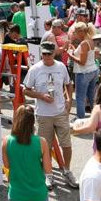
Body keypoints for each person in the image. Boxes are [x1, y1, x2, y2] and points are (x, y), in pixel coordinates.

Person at [23, 42, 75, 190]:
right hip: (43, 114)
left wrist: (69, 99)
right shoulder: (35, 69)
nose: (46, 57)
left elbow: (68, 84)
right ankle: (48, 174)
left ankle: (67, 170)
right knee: (44, 147)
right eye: (44, 54)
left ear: (54, 53)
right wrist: (40, 95)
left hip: (60, 112)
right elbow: (25, 90)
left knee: (66, 144)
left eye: (49, 54)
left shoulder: (61, 67)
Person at [68, 22, 100, 120]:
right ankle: (96, 116)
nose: (75, 35)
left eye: (75, 33)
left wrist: (70, 55)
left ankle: (80, 118)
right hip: (93, 71)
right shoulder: (89, 40)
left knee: (80, 97)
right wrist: (74, 50)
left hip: (84, 73)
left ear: (81, 32)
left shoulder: (83, 43)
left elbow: (82, 62)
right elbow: (86, 55)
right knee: (91, 95)